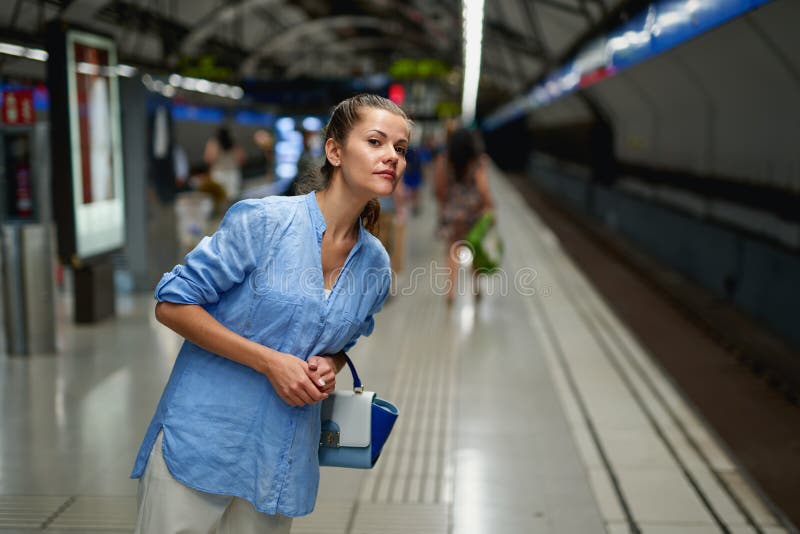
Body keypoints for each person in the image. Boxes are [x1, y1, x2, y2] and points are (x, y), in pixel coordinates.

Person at [131, 94, 410, 533]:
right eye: (376, 142)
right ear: (334, 151)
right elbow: (172, 304)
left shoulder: (375, 265)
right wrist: (269, 361)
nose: (392, 157)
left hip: (279, 454)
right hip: (205, 439)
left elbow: (341, 343)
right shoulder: (263, 222)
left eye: (400, 148)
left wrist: (327, 365)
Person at [436, 127, 494, 306]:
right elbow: (483, 190)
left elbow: (440, 189)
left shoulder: (444, 160)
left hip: (452, 213)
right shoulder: (477, 162)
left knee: (452, 250)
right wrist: (489, 206)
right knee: (473, 250)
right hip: (473, 213)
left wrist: (447, 205)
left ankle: (450, 293)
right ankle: (476, 288)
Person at [204, 126, 246, 202]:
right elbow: (242, 158)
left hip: (218, 173)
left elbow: (209, 159)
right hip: (233, 173)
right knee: (233, 199)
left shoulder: (213, 142)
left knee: (219, 198)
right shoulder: (233, 143)